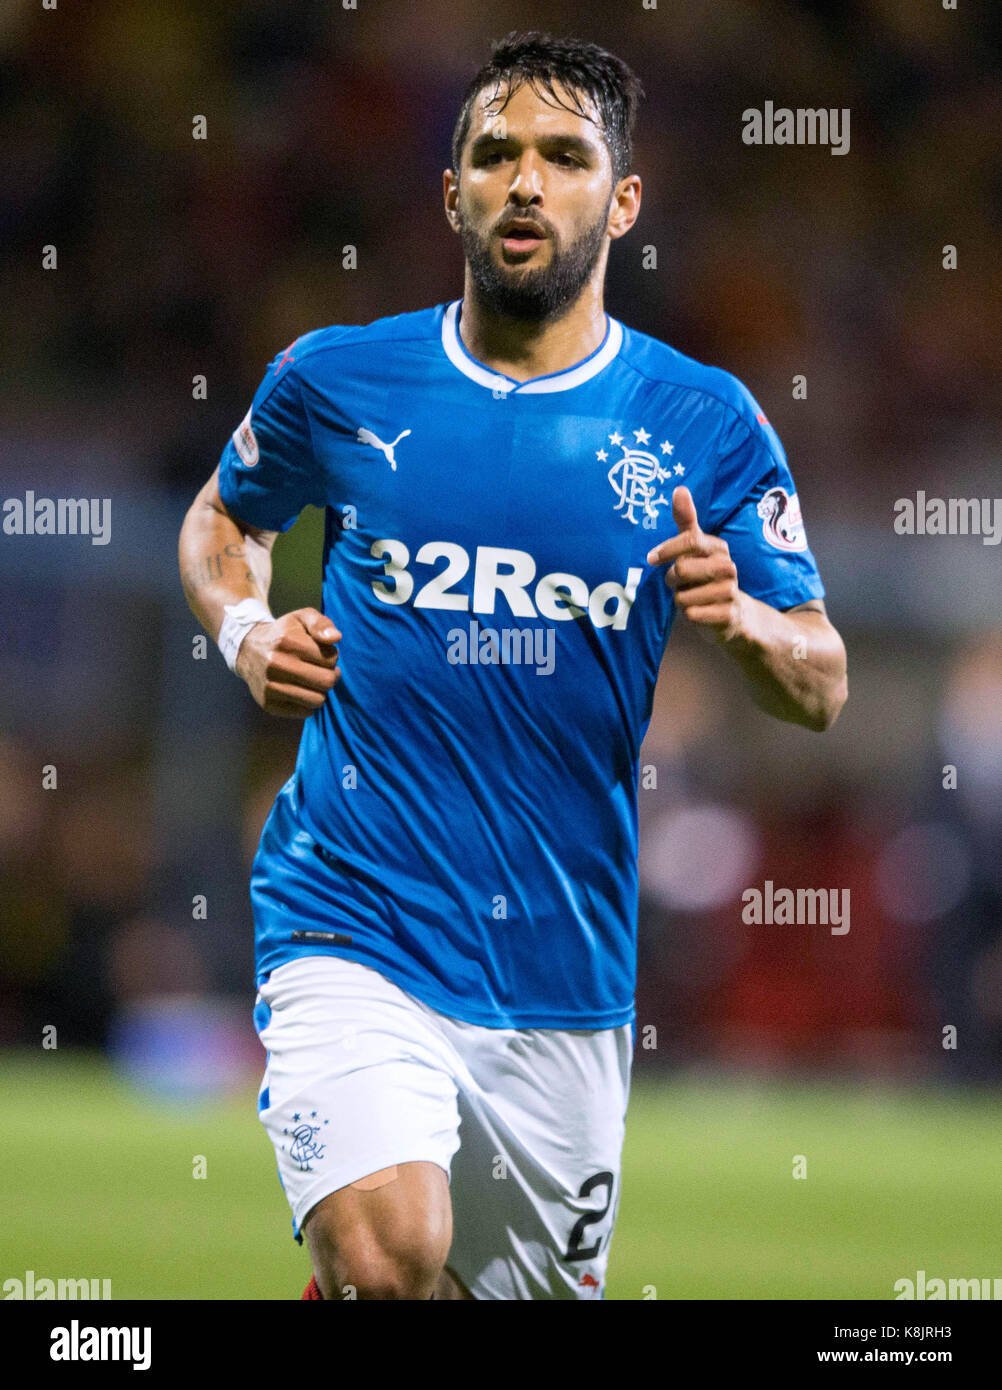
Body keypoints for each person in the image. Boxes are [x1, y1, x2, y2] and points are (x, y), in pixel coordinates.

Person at [178, 30, 847, 1301]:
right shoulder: (337, 378)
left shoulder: (703, 422)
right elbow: (223, 519)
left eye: (563, 156)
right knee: (388, 1249)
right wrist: (246, 631)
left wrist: (747, 624)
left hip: (561, 968)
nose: (525, 182)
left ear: (624, 198)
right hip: (352, 913)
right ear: (453, 194)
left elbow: (818, 681)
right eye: (494, 155)